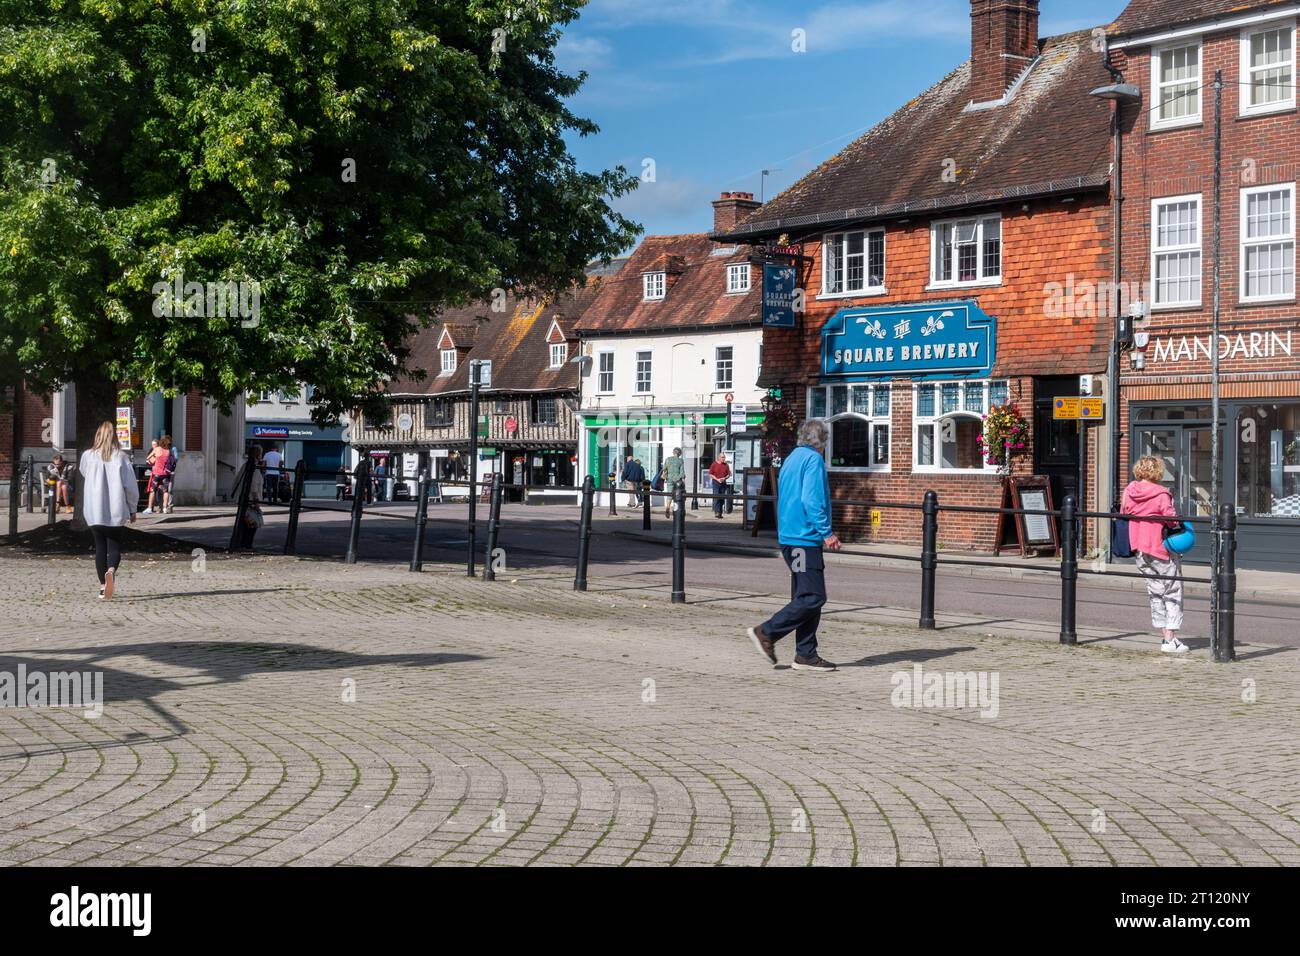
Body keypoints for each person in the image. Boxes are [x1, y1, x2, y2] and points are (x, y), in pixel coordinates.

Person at [747, 419, 840, 673]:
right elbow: (811, 499)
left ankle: (806, 654)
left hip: (789, 536)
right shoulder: (813, 461)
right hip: (805, 538)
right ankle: (766, 632)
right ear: (822, 442)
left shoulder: (792, 458)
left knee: (805, 596)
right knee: (813, 596)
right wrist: (827, 532)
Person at [1123, 455, 1189, 654]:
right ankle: (1170, 639)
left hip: (1139, 548)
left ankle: (1165, 636)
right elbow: (1170, 518)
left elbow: (1124, 510)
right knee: (1173, 588)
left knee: (1155, 590)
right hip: (1159, 548)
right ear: (1157, 472)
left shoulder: (1129, 491)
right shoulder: (1162, 493)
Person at [78, 421, 139, 600]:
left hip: (94, 510)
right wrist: (133, 508)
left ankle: (103, 586)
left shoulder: (87, 456)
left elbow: (83, 473)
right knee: (114, 546)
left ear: (97, 436)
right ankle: (111, 571)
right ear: (114, 437)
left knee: (99, 547)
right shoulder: (121, 457)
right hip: (116, 508)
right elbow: (130, 487)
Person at [662, 448, 686, 517]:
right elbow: (682, 472)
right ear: (680, 453)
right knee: (678, 495)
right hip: (678, 480)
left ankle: (667, 508)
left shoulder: (668, 459)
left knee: (669, 494)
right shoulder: (680, 460)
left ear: (673, 452)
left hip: (669, 479)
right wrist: (683, 481)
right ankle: (676, 509)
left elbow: (664, 469)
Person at [708, 453, 732, 518]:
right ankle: (717, 512)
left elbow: (729, 474)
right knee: (717, 497)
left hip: (723, 483)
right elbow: (710, 474)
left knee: (722, 498)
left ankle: (720, 512)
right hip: (716, 482)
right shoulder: (714, 464)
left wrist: (724, 478)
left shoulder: (726, 465)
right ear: (718, 457)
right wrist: (717, 479)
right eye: (722, 457)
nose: (723, 459)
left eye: (724, 457)